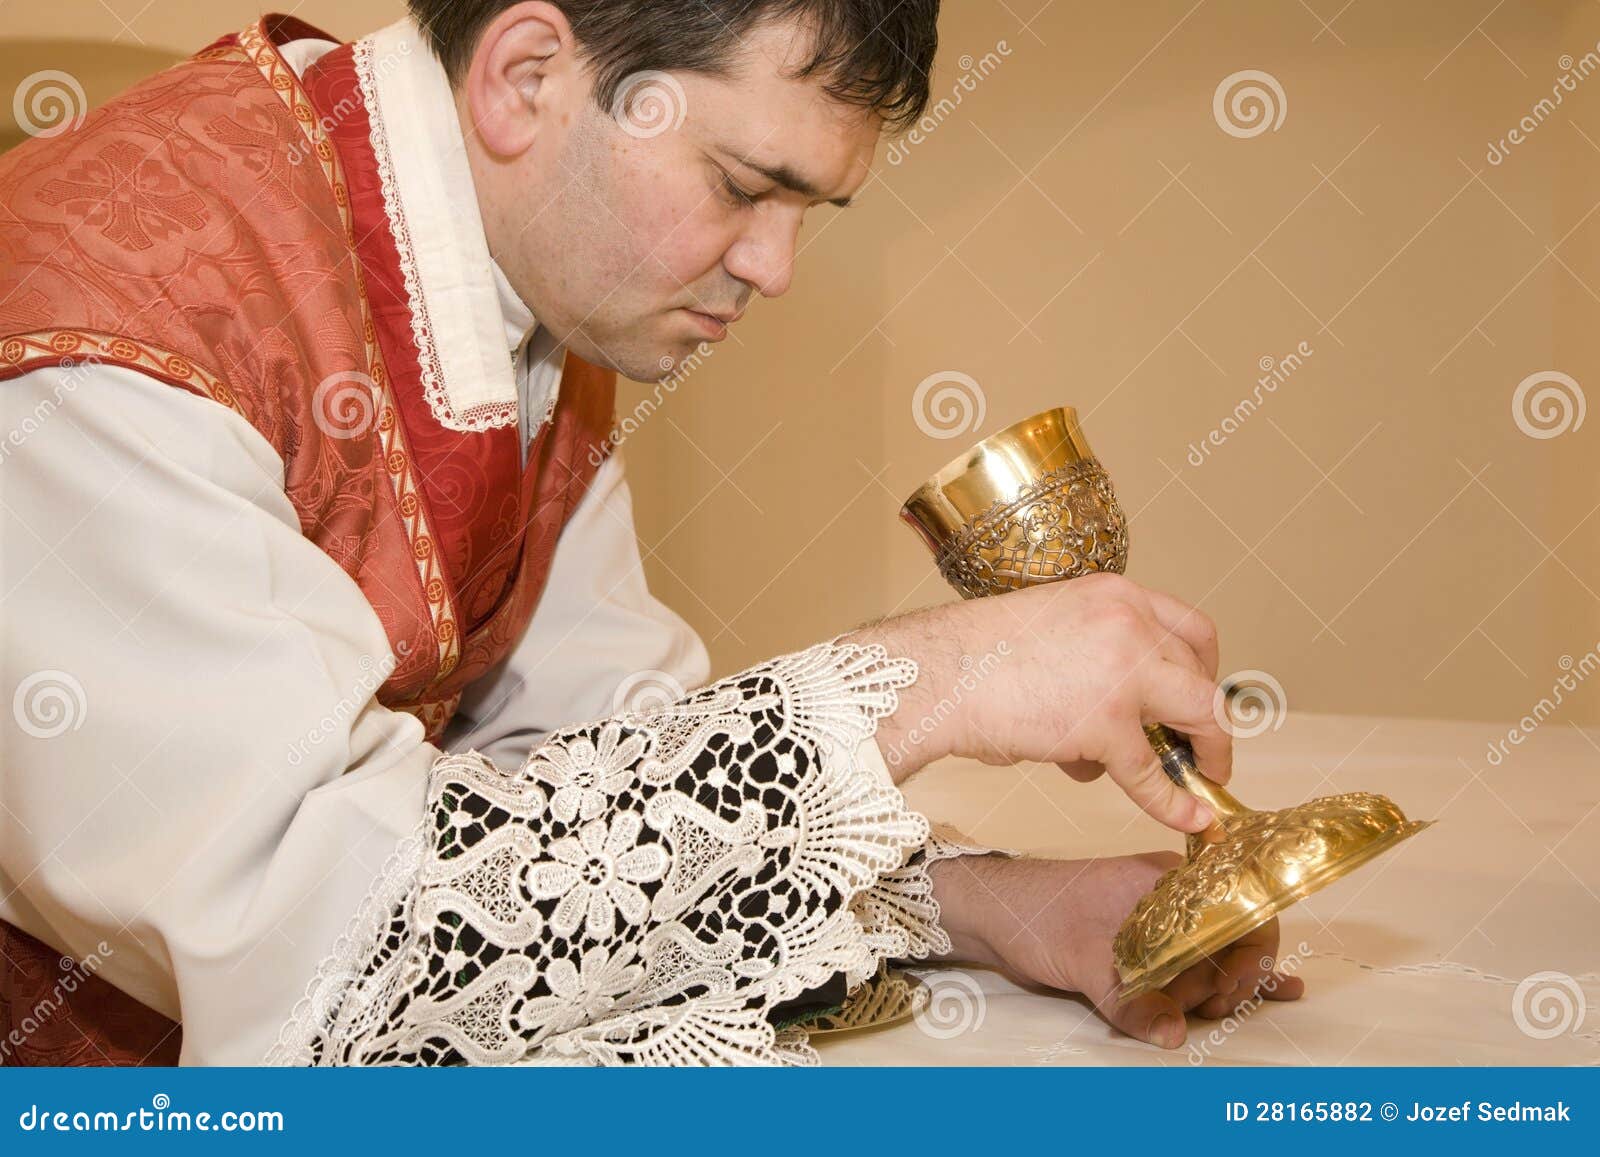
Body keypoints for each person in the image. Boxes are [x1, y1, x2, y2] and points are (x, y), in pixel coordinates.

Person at [0, 0, 1302, 1066]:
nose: (778, 268)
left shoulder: (525, 279)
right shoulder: (107, 342)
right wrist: (937, 678)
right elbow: (323, 959)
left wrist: (999, 905)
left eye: (811, 210)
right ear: (525, 74)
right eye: (744, 185)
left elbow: (602, 783)